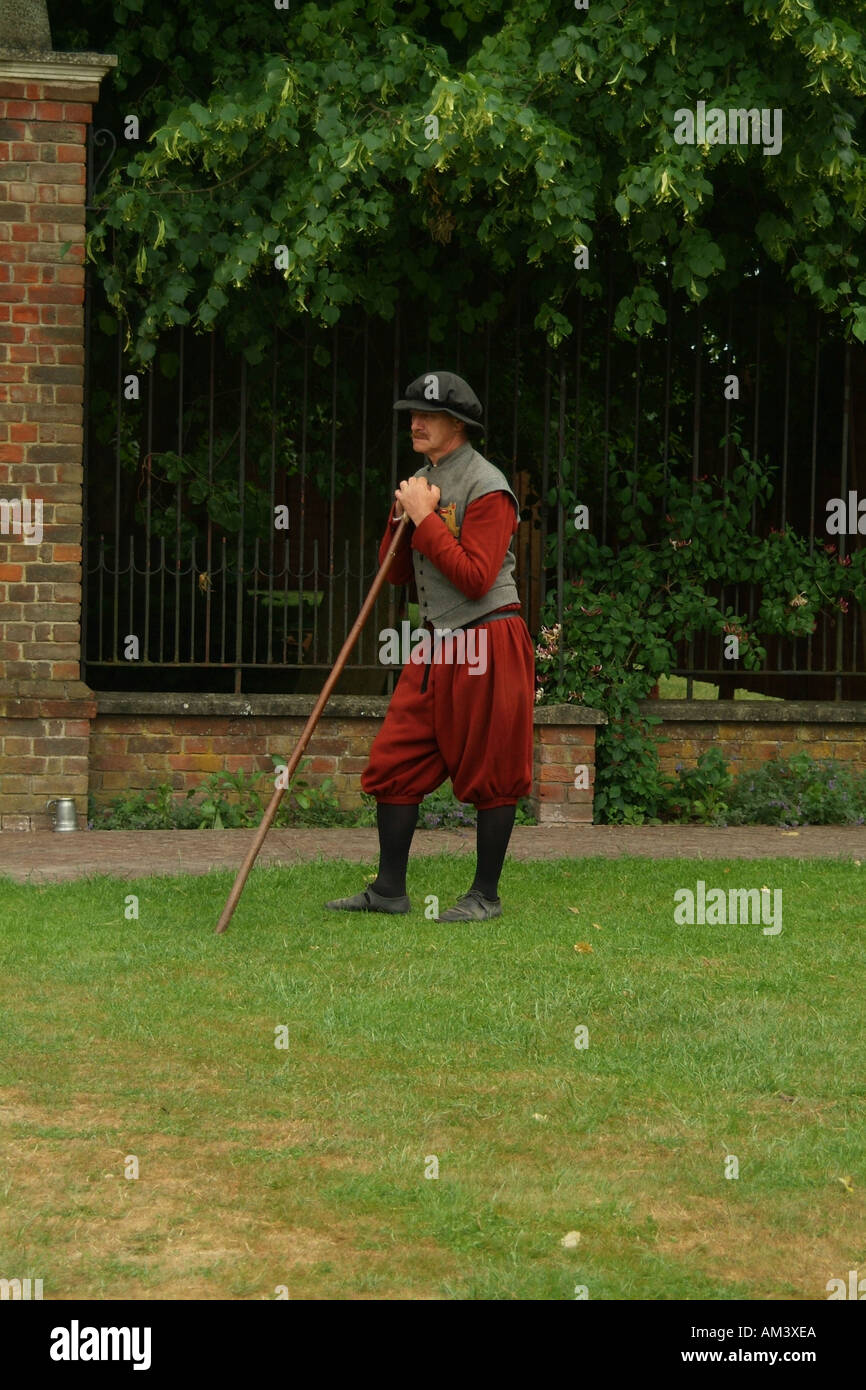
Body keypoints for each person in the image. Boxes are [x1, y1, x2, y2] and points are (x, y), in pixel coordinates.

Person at [325, 371, 535, 922]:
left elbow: (475, 577)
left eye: (427, 415)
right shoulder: (421, 481)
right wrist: (402, 519)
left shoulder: (489, 488)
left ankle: (484, 896)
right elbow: (395, 576)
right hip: (438, 642)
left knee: (492, 768)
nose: (415, 423)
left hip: (488, 635)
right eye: (411, 413)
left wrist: (424, 519)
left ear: (458, 425)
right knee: (395, 759)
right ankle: (388, 889)